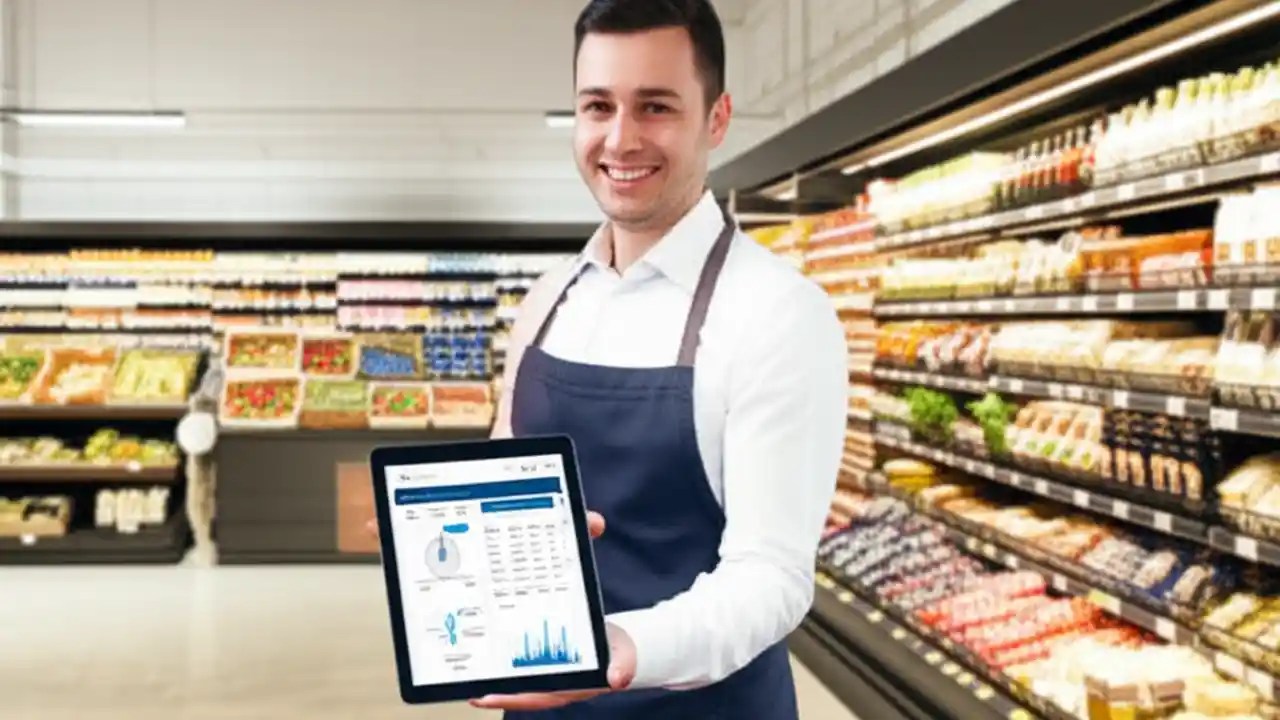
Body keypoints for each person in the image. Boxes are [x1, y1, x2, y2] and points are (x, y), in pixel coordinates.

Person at [472, 0, 847, 716]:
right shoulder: (549, 299)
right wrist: (453, 534)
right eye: (597, 106)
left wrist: (617, 650)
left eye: (656, 107)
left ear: (717, 118)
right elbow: (505, 472)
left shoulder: (777, 312)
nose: (620, 138)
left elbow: (772, 577)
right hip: (544, 697)